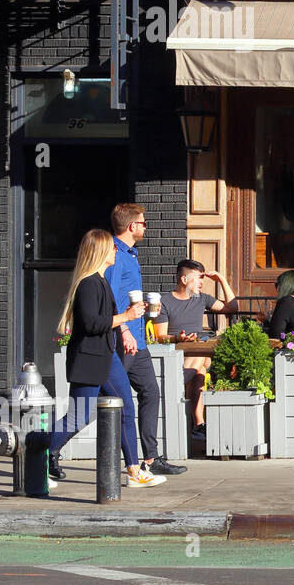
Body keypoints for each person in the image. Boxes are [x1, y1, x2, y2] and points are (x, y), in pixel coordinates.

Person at [44, 230, 165, 488]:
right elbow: (90, 323)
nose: (115, 251)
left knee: (125, 408)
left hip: (104, 357)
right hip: (90, 359)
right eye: (112, 248)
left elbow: (103, 321)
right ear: (101, 252)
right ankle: (39, 456)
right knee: (79, 416)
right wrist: (127, 317)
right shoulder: (89, 283)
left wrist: (125, 322)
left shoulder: (100, 282)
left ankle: (134, 470)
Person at [105, 203, 186, 477]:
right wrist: (125, 329)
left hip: (138, 340)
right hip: (123, 339)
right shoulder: (115, 253)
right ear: (132, 227)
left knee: (150, 392)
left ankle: (150, 458)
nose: (145, 227)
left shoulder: (131, 254)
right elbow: (112, 295)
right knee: (101, 402)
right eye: (143, 223)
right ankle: (51, 451)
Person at [155, 259, 239, 441]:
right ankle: (199, 425)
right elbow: (160, 337)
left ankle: (174, 389)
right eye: (199, 278)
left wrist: (222, 280)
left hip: (199, 349)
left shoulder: (202, 298)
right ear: (184, 280)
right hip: (177, 352)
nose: (202, 283)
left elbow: (232, 307)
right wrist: (178, 338)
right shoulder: (165, 302)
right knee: (199, 370)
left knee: (201, 355)